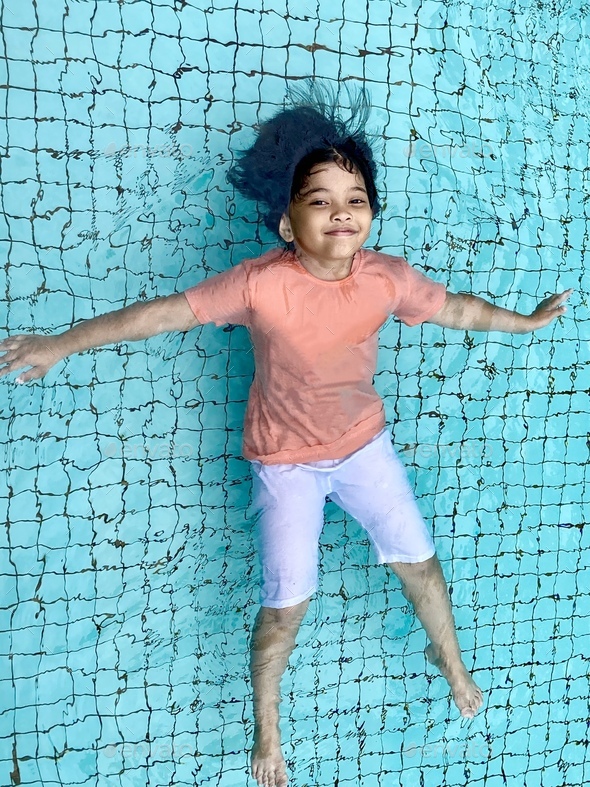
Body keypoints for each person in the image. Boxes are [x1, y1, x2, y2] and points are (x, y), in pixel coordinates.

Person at [0, 82, 572, 787]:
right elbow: (158, 315)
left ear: (372, 217)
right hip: (286, 464)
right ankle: (266, 728)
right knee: (283, 609)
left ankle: (449, 661)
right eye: (321, 199)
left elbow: (455, 308)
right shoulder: (257, 285)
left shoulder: (385, 279)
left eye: (356, 199)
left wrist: (523, 320)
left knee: (419, 562)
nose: (341, 212)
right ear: (286, 223)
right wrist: (60, 342)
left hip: (364, 446)